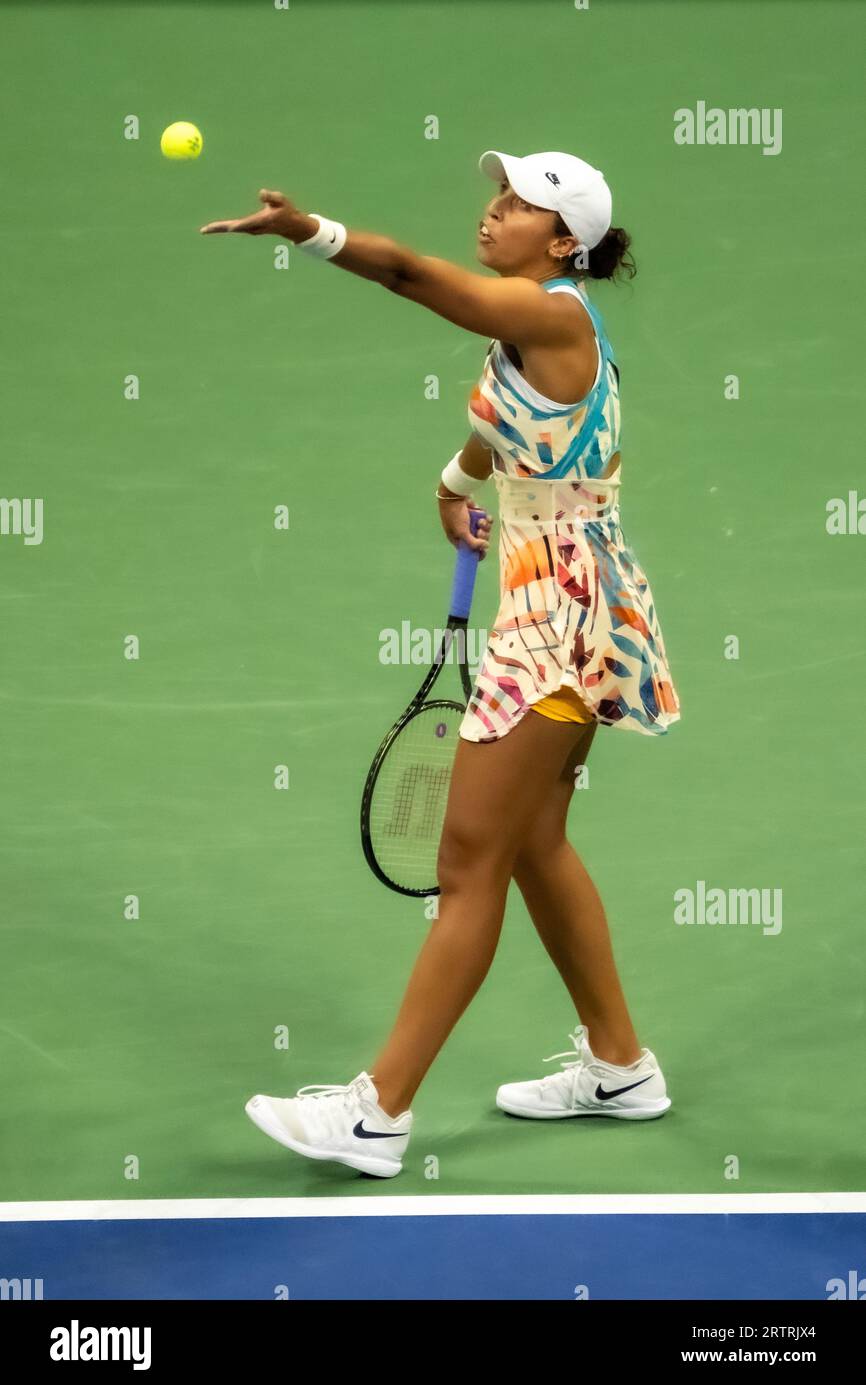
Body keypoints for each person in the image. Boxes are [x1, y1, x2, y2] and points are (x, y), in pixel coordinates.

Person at [201, 149, 682, 1180]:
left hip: (559, 615)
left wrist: (308, 232)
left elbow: (415, 278)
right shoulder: (530, 331)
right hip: (560, 597)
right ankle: (618, 1065)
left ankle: (378, 1113)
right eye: (497, 195)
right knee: (536, 842)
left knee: (468, 863)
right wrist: (451, 482)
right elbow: (493, 423)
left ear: (563, 243)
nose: (493, 211)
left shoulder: (550, 315)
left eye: (519, 205)